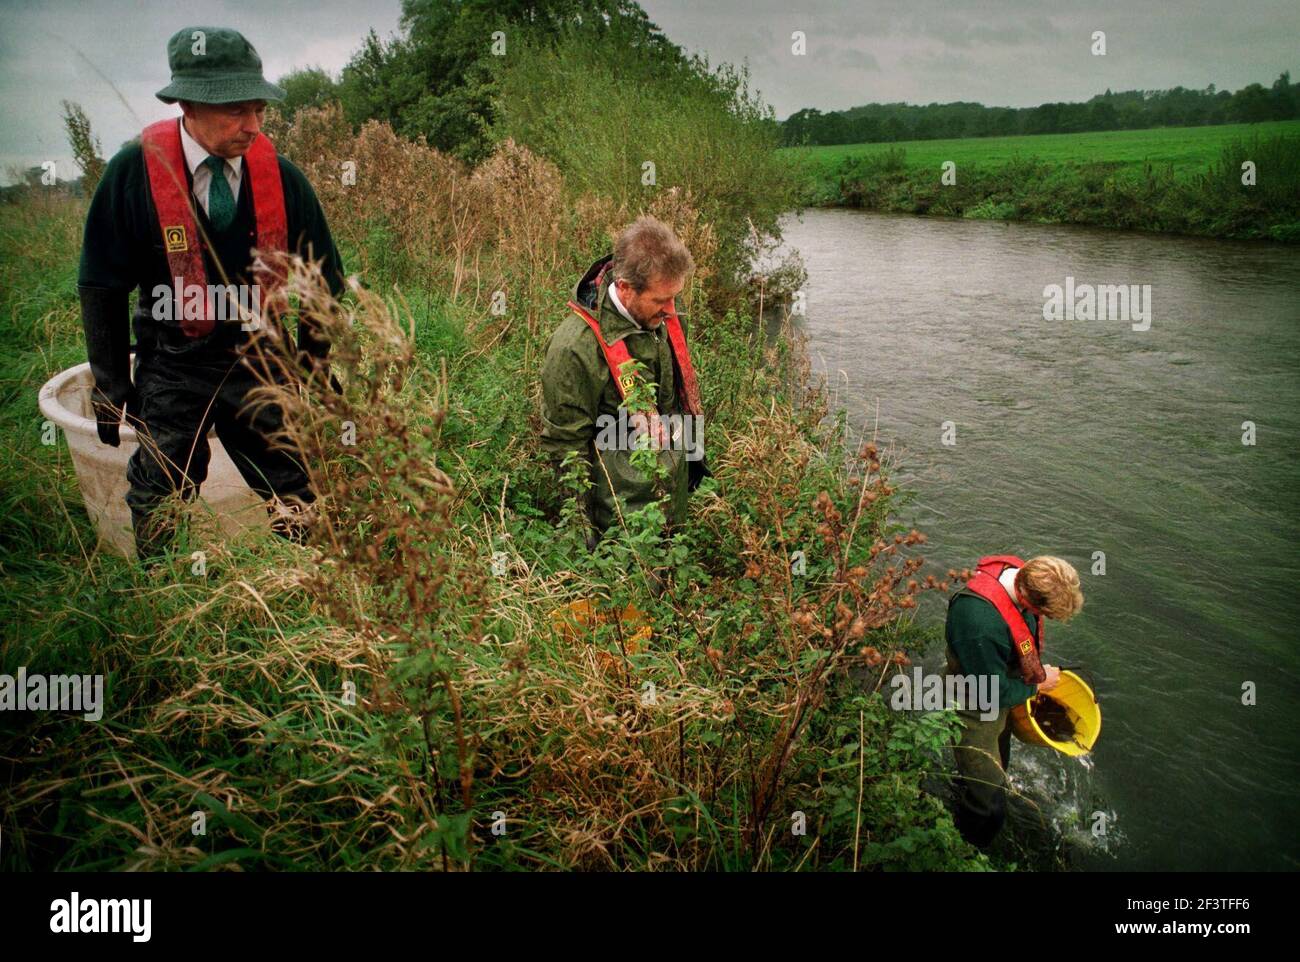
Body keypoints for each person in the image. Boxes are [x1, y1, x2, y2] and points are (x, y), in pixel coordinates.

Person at [78, 26, 345, 560]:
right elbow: (101, 282)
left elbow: (323, 282)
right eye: (235, 111)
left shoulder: (284, 179)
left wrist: (312, 364)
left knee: (294, 484)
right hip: (174, 359)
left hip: (261, 358)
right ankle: (165, 590)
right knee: (160, 484)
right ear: (187, 105)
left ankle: (311, 591)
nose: (253, 125)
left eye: (259, 109)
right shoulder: (132, 173)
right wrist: (110, 383)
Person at [539, 216, 709, 548]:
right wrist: (582, 539)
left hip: (671, 507)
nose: (672, 312)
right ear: (625, 287)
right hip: (621, 528)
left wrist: (693, 473)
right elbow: (565, 448)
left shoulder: (663, 314)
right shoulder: (574, 349)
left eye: (675, 298)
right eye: (661, 301)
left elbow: (676, 407)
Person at [945, 554, 1084, 846]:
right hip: (974, 702)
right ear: (1029, 600)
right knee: (989, 803)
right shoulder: (978, 622)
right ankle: (965, 851)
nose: (1042, 620)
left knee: (999, 762)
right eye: (1043, 614)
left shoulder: (1022, 577)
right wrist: (1038, 686)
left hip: (998, 686)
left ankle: (964, 783)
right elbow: (990, 691)